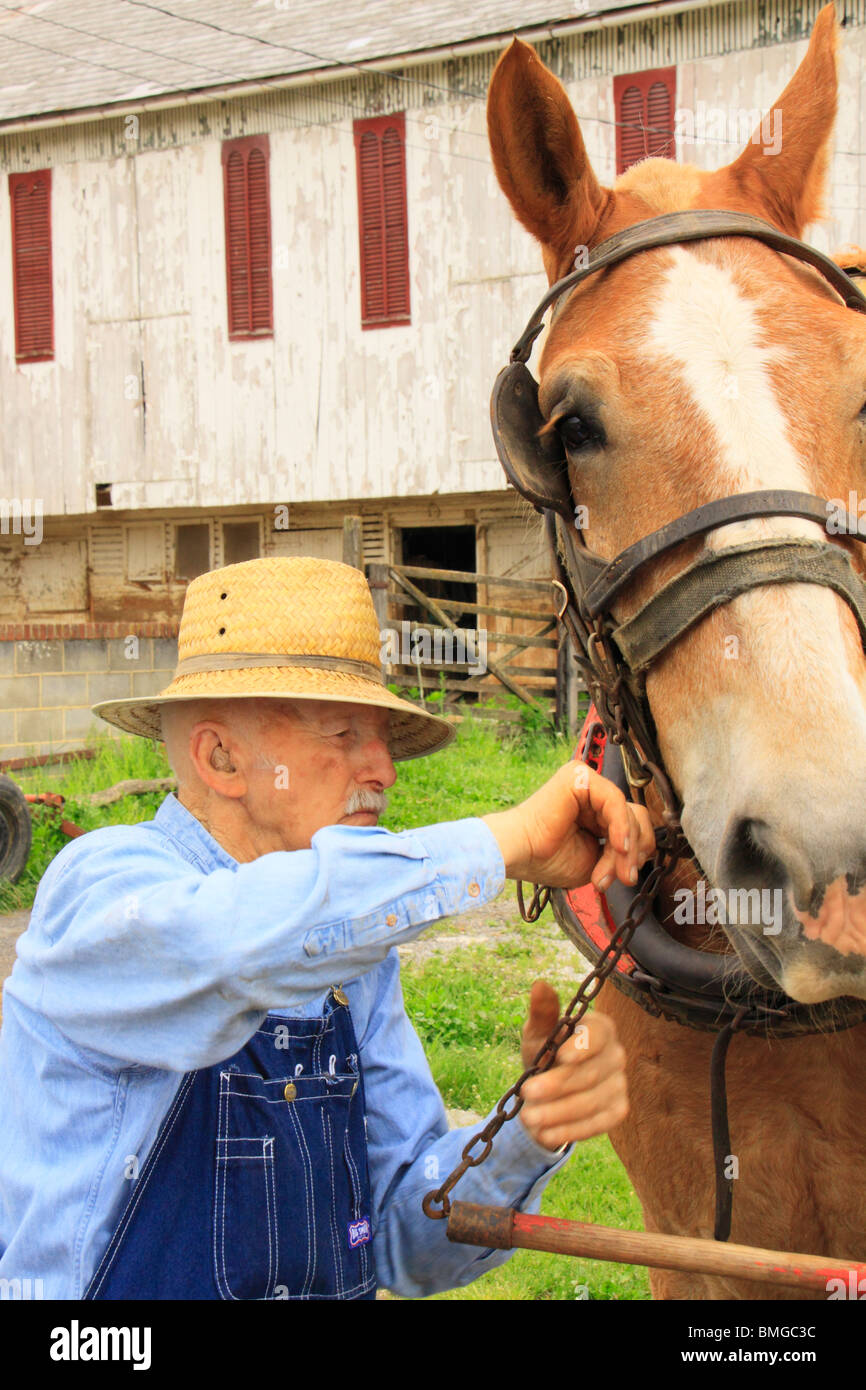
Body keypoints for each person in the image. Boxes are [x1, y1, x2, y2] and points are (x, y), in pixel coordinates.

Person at [0, 557, 654, 1300]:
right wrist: (501, 841)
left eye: (381, 740)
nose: (384, 770)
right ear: (221, 758)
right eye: (345, 734)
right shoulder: (102, 885)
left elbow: (404, 1246)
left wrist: (526, 1132)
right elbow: (238, 944)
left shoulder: (355, 967)